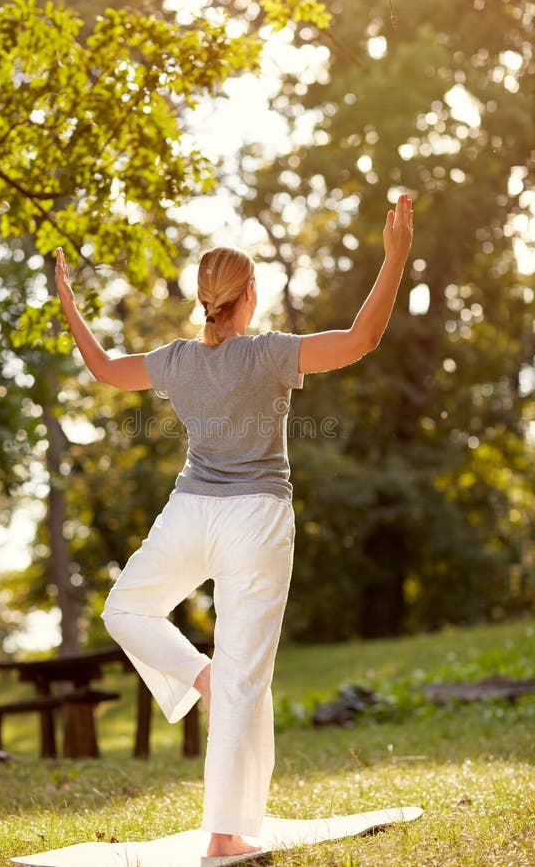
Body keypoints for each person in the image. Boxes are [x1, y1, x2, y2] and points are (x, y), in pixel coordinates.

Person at [54, 193, 413, 860]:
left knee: (125, 609)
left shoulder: (176, 360)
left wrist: (69, 304)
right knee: (243, 676)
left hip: (191, 510)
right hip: (257, 518)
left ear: (204, 298)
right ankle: (222, 826)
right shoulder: (272, 354)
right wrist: (393, 258)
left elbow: (103, 369)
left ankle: (200, 680)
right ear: (247, 294)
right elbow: (362, 339)